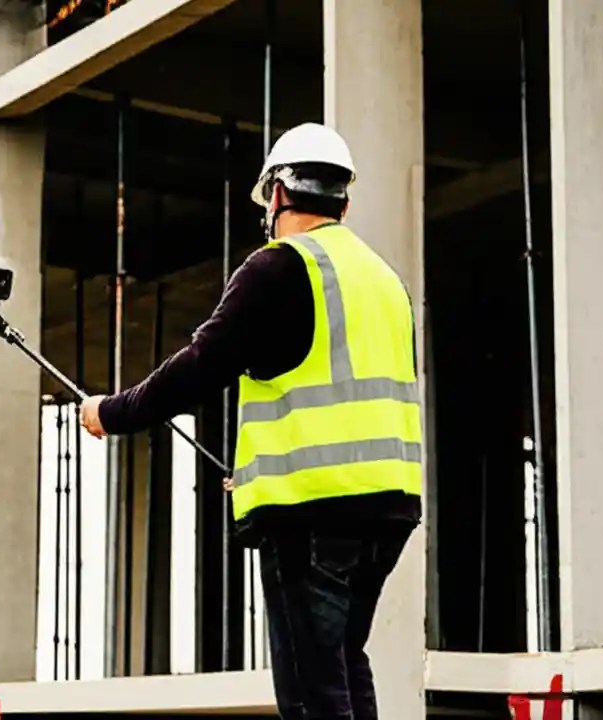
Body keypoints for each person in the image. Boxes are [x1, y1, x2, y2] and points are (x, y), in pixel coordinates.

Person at [78, 122, 422, 720]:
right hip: (386, 511)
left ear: (278, 195)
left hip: (313, 516)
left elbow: (199, 367)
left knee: (312, 692)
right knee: (343, 664)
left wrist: (112, 413)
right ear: (344, 198)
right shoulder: (384, 280)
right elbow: (337, 391)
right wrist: (261, 472)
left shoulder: (279, 268)